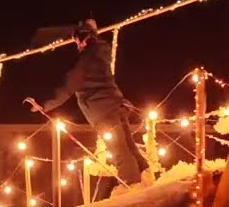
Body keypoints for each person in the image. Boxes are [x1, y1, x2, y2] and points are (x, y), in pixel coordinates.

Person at [25, 18, 150, 197]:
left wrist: (44, 105)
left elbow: (68, 86)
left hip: (102, 111)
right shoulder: (101, 53)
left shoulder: (86, 60)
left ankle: (133, 190)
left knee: (120, 153)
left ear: (83, 39)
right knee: (129, 147)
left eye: (77, 40)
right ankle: (147, 178)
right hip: (116, 104)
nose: (76, 44)